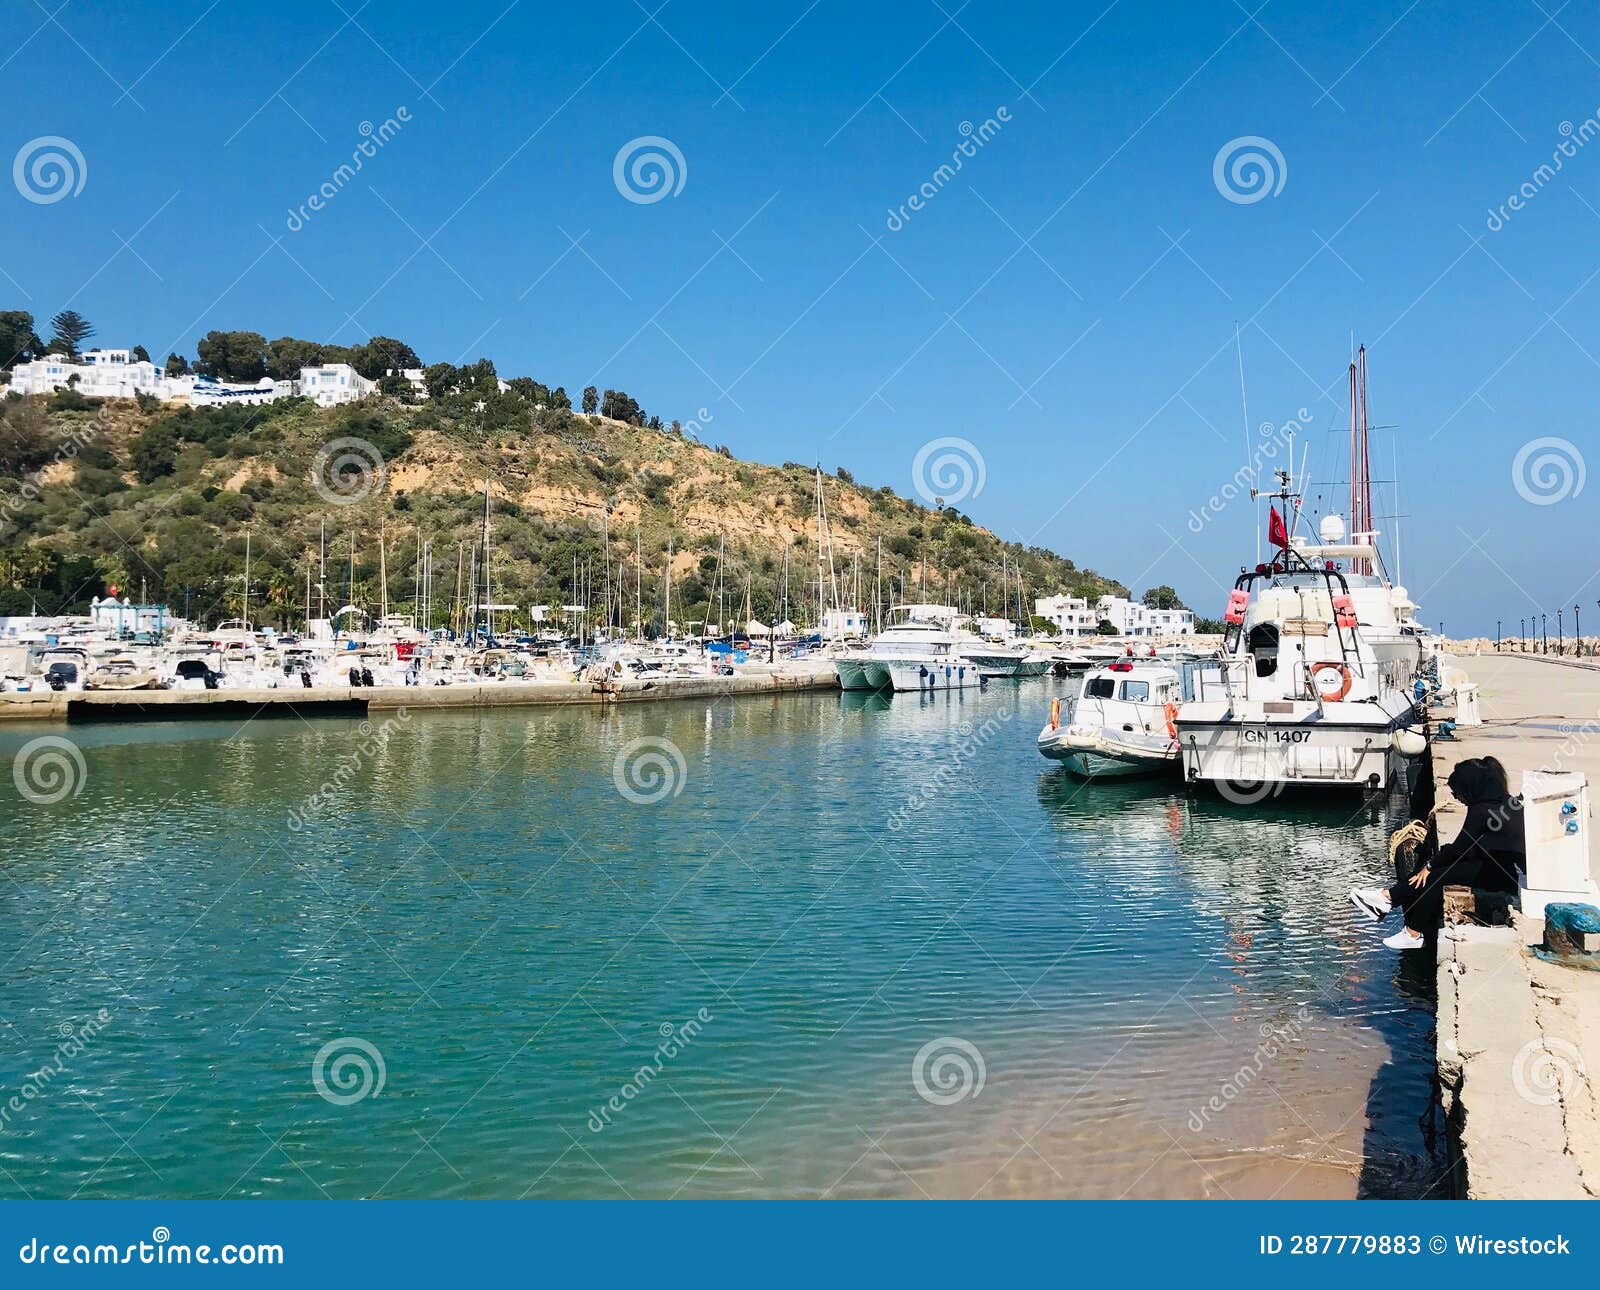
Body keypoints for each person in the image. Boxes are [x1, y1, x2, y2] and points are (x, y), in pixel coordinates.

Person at [1349, 757, 1524, 950]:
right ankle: (1388, 901)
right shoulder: (1506, 801)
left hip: (1499, 877)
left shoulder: (1480, 810)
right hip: (1505, 869)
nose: (1456, 798)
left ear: (1469, 789)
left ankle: (1408, 927)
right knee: (1439, 864)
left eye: (1457, 792)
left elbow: (1460, 848)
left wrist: (1429, 865)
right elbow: (1469, 847)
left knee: (1434, 876)